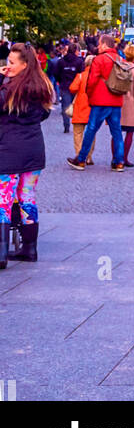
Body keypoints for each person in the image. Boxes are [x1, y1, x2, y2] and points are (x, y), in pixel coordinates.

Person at [0, 43, 54, 266]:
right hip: (33, 151)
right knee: (27, 198)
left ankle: (1, 254)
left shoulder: (9, 90)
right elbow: (43, 116)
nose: (7, 66)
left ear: (24, 65)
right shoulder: (42, 87)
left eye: (12, 63)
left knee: (3, 200)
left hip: (9, 152)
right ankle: (30, 248)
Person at [67, 33, 129, 170]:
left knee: (91, 129)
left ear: (105, 44)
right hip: (116, 100)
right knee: (117, 132)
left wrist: (89, 95)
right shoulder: (120, 59)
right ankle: (119, 162)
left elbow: (92, 80)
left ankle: (81, 159)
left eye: (100, 44)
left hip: (100, 101)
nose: (98, 46)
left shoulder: (99, 60)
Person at [117, 44, 134, 166]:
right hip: (131, 105)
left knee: (116, 133)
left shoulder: (118, 68)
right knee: (129, 133)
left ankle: (116, 158)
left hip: (117, 103)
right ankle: (124, 158)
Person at [68, 54, 97, 165]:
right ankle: (89, 157)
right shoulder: (98, 77)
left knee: (78, 133)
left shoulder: (80, 76)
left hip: (80, 108)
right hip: (93, 108)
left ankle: (80, 156)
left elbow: (72, 88)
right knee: (91, 133)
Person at [53, 41, 84, 134]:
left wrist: (60, 81)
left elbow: (56, 73)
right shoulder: (79, 61)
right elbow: (81, 74)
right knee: (77, 107)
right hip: (76, 87)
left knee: (65, 107)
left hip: (65, 86)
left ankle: (66, 126)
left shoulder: (61, 61)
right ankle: (76, 125)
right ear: (75, 51)